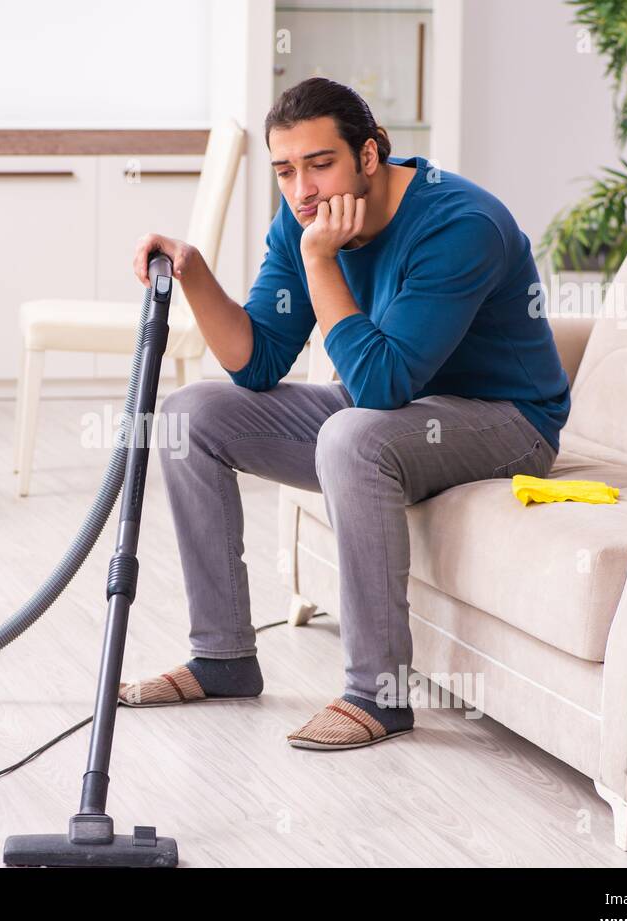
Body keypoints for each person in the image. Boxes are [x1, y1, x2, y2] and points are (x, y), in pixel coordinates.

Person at [117, 77, 570, 750]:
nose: (302, 190)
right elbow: (257, 361)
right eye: (285, 170)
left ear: (369, 154)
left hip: (505, 421)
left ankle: (377, 693)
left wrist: (319, 259)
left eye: (320, 164)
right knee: (191, 414)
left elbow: (381, 383)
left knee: (353, 435)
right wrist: (196, 272)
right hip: (389, 412)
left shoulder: (459, 224)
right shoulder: (302, 216)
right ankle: (223, 656)